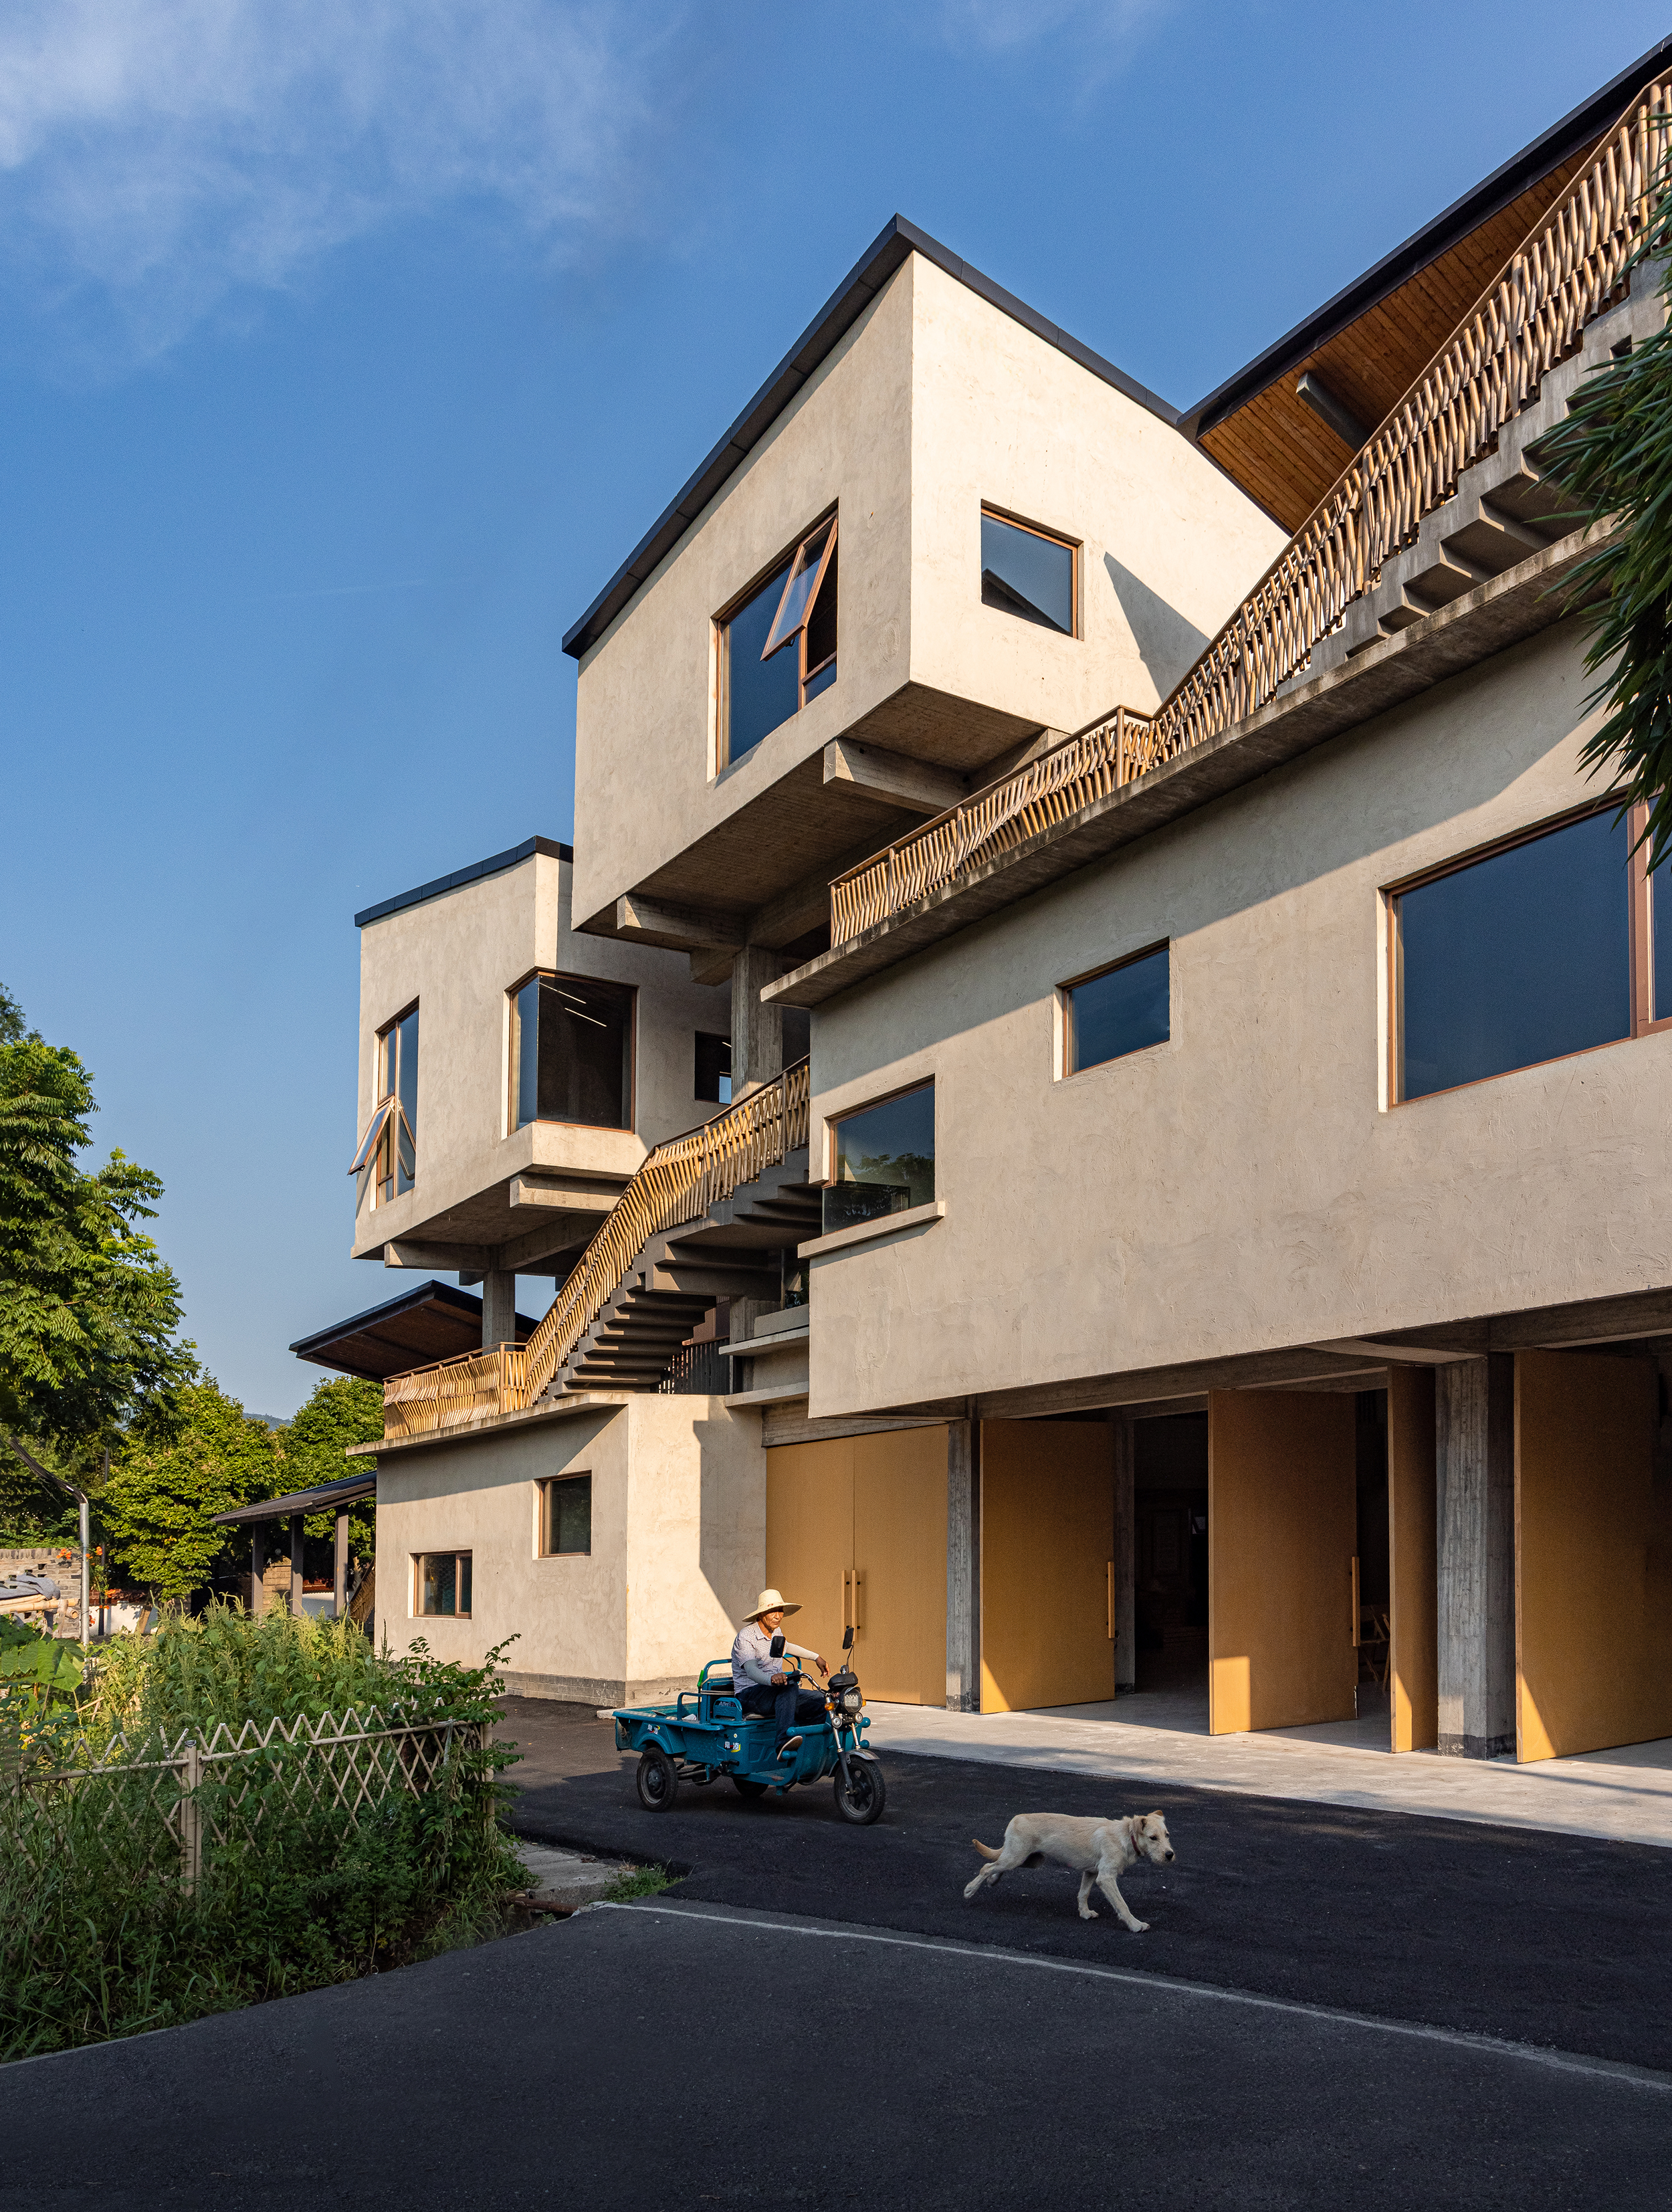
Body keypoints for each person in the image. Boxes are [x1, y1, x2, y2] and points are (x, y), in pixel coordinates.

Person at [730, 1589, 828, 1761]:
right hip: (749, 1695)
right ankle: (782, 1742)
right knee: (788, 1687)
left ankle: (810, 1750)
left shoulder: (776, 1632)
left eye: (780, 1611)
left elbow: (787, 1647)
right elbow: (751, 1671)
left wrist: (816, 1657)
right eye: (772, 1611)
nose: (777, 1616)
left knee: (823, 1701)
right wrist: (771, 1679)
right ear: (761, 1614)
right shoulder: (746, 1637)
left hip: (778, 1692)